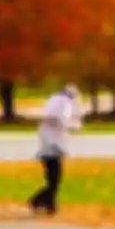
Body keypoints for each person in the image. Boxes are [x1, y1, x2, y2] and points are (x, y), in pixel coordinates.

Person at [28, 83, 81, 216]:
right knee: (55, 178)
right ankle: (39, 201)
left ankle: (48, 204)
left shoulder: (53, 100)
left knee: (53, 178)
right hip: (53, 146)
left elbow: (51, 117)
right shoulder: (64, 103)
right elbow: (63, 119)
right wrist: (73, 126)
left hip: (47, 145)